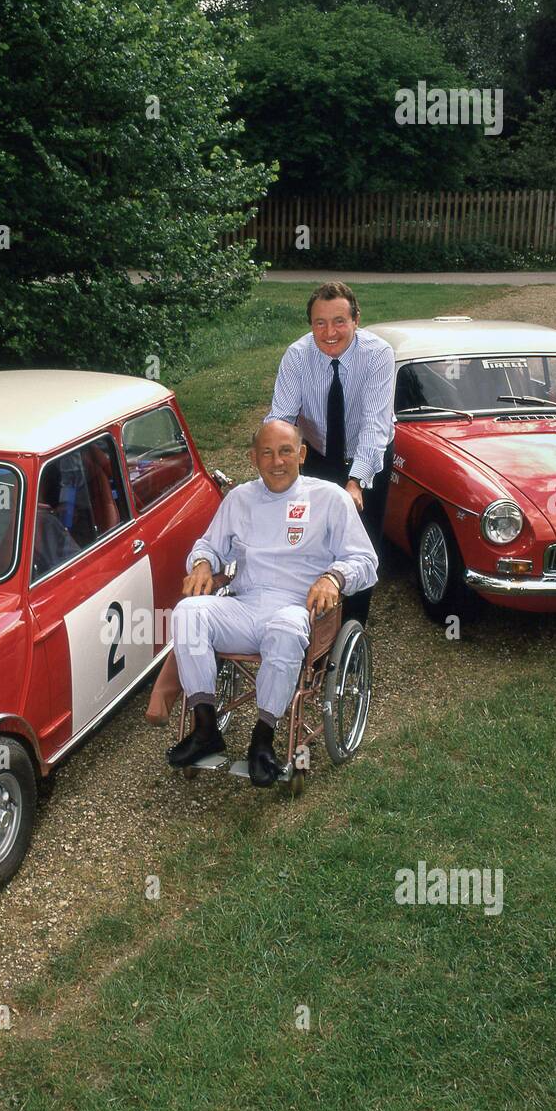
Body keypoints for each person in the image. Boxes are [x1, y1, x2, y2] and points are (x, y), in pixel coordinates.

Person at [166, 420, 376, 787]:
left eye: (285, 451)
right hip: (244, 604)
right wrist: (202, 564)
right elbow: (209, 546)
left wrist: (334, 578)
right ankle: (205, 728)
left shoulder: (330, 498)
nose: (277, 462)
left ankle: (262, 739)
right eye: (267, 452)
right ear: (254, 458)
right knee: (187, 613)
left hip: (297, 607)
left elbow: (365, 560)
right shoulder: (239, 499)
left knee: (285, 628)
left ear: (302, 454)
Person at [264, 281, 394, 622]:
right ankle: (315, 618)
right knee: (313, 536)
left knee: (361, 544)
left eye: (339, 321)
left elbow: (375, 425)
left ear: (356, 320)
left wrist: (356, 482)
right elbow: (282, 416)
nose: (329, 332)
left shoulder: (379, 354)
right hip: (319, 454)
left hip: (368, 454)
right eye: (320, 323)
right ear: (311, 325)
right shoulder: (297, 355)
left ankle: (354, 625)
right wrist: (273, 462)